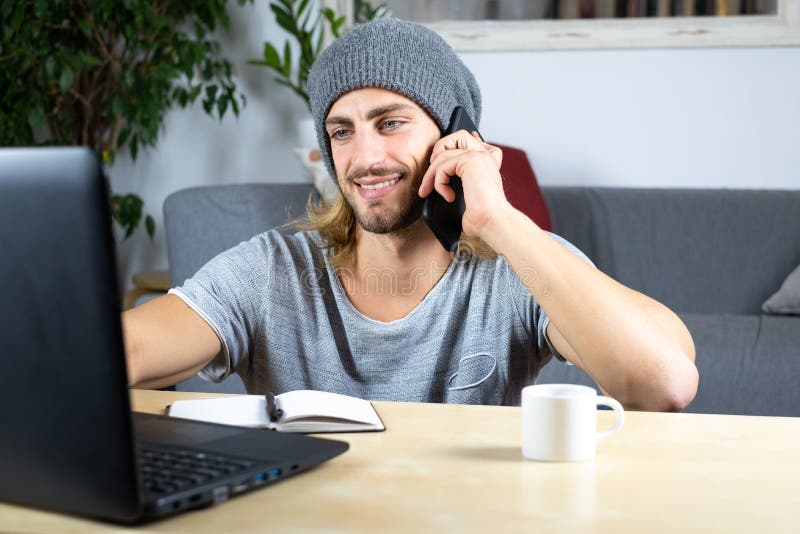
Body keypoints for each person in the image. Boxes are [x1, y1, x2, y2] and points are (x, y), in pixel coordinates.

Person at [123, 19, 698, 411]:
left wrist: (498, 221)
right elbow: (131, 350)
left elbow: (664, 385)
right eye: (341, 132)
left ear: (454, 135)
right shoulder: (272, 270)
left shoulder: (520, 268)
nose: (364, 159)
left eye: (391, 122)